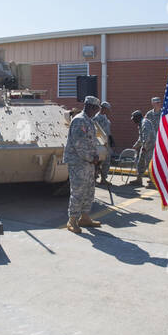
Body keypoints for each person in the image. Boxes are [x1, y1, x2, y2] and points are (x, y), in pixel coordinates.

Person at [64, 97, 103, 234]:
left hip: (88, 163)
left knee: (89, 190)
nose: (97, 111)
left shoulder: (89, 121)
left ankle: (85, 218)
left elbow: (90, 143)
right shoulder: (80, 120)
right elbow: (79, 144)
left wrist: (95, 157)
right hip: (78, 163)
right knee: (78, 191)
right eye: (96, 108)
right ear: (90, 107)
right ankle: (72, 220)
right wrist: (91, 158)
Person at [131, 98, 162, 187]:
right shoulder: (143, 121)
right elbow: (141, 137)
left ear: (138, 118)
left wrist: (143, 146)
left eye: (134, 119)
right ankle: (139, 179)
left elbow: (146, 136)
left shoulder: (144, 123)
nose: (133, 121)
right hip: (146, 146)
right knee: (140, 162)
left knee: (150, 164)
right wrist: (136, 145)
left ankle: (153, 182)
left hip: (151, 146)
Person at [92, 101, 113, 185]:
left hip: (107, 143)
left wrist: (111, 139)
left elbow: (107, 130)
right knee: (98, 162)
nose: (109, 111)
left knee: (107, 161)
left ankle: (103, 179)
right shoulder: (96, 118)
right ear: (102, 108)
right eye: (107, 109)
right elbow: (95, 132)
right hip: (100, 144)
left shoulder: (105, 117)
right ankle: (94, 179)